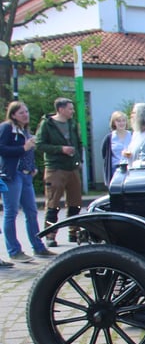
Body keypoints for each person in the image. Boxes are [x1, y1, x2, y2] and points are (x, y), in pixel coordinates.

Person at [1, 101, 54, 262]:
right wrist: (22, 148)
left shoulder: (25, 130)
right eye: (21, 113)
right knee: (11, 212)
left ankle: (38, 247)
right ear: (13, 115)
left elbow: (28, 154)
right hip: (12, 175)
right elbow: (2, 149)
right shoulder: (7, 128)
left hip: (26, 175)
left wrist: (32, 167)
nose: (26, 115)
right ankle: (14, 251)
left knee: (31, 212)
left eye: (26, 112)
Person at [35, 97, 83, 247]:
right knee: (53, 203)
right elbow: (40, 144)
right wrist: (60, 149)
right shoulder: (47, 124)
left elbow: (78, 142)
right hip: (55, 168)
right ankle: (50, 234)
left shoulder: (72, 124)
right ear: (61, 109)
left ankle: (73, 232)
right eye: (70, 108)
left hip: (72, 167)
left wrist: (79, 160)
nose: (72, 111)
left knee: (75, 202)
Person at [100, 110, 131, 185]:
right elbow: (104, 154)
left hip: (130, 167)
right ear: (114, 123)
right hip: (115, 169)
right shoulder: (109, 138)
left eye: (123, 120)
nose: (121, 123)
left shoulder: (132, 135)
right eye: (118, 121)